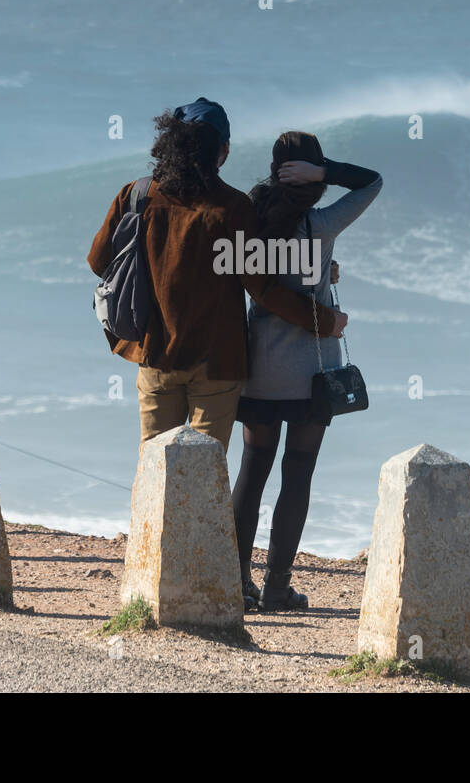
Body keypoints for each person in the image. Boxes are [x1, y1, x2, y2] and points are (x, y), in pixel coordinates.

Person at [87, 98, 347, 457]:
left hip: (155, 353)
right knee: (204, 469)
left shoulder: (136, 195)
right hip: (217, 362)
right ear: (222, 150)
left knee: (155, 469)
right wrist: (325, 319)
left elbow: (99, 262)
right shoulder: (231, 207)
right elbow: (263, 287)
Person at [231, 133, 381, 612]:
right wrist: (327, 172)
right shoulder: (319, 226)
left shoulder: (252, 220)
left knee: (252, 473)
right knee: (298, 474)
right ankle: (277, 586)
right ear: (308, 176)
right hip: (312, 370)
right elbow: (372, 183)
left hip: (259, 369)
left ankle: (235, 580)